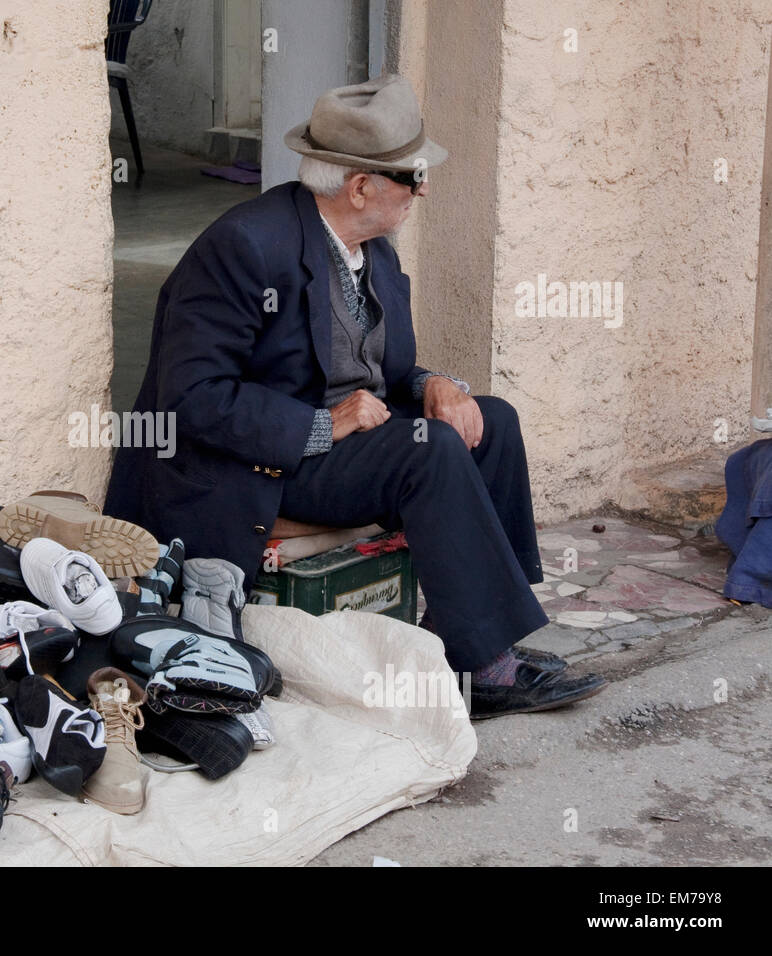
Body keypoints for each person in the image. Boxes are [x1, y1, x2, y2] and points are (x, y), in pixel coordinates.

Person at [104, 75, 606, 718]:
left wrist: (435, 387)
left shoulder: (372, 250)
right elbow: (192, 399)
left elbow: (381, 369)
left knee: (492, 421)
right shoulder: (245, 247)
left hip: (337, 443)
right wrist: (322, 425)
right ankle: (487, 672)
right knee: (426, 453)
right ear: (360, 185)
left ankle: (487, 636)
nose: (424, 188)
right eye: (412, 177)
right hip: (254, 463)